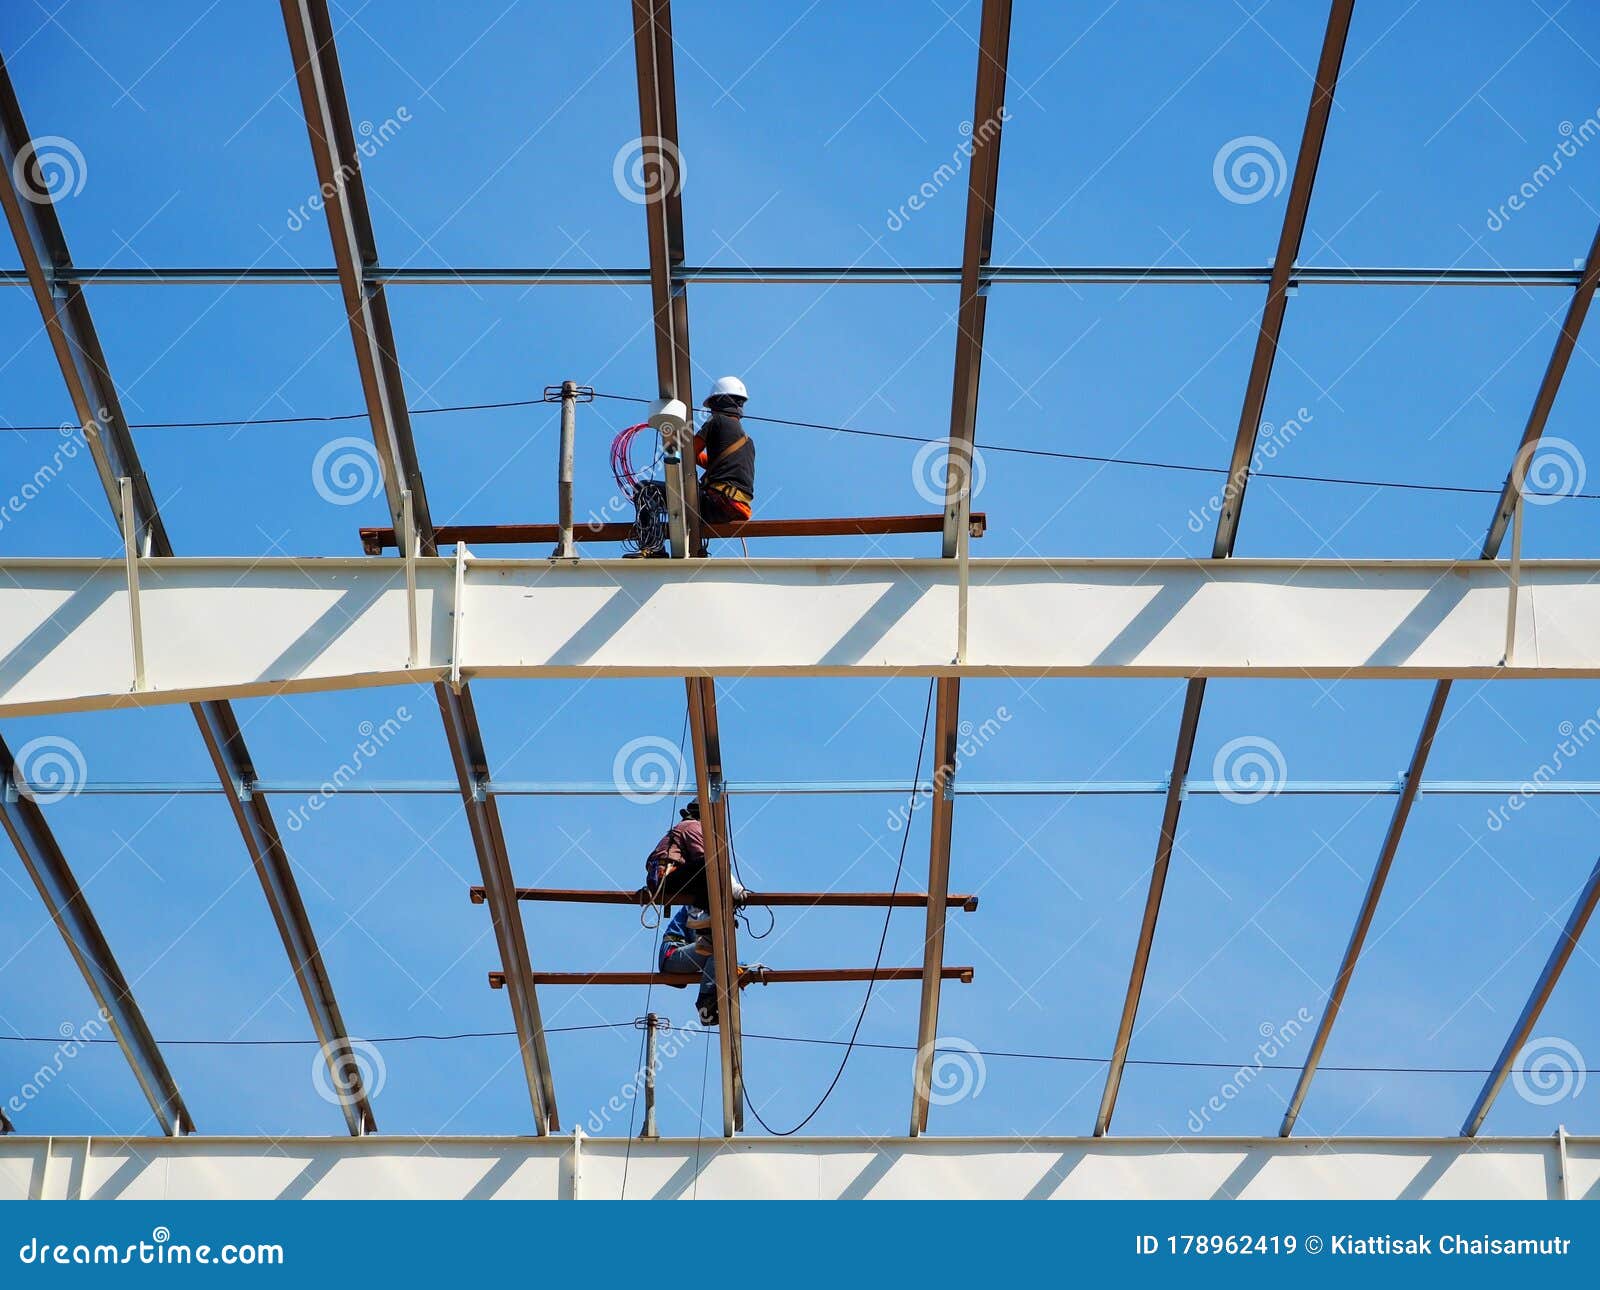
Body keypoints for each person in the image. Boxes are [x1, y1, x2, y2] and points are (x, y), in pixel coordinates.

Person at [695, 376, 755, 551]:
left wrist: (673, 441)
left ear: (717, 403)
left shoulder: (716, 422)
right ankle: (698, 551)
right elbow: (720, 465)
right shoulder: (749, 442)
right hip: (737, 509)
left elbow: (688, 452)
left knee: (649, 491)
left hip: (717, 501)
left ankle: (651, 547)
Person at [659, 901, 720, 1027]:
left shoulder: (704, 909)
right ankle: (705, 1002)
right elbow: (701, 942)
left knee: (720, 949)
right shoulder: (696, 906)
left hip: (677, 955)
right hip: (673, 954)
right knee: (717, 946)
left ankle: (710, 998)